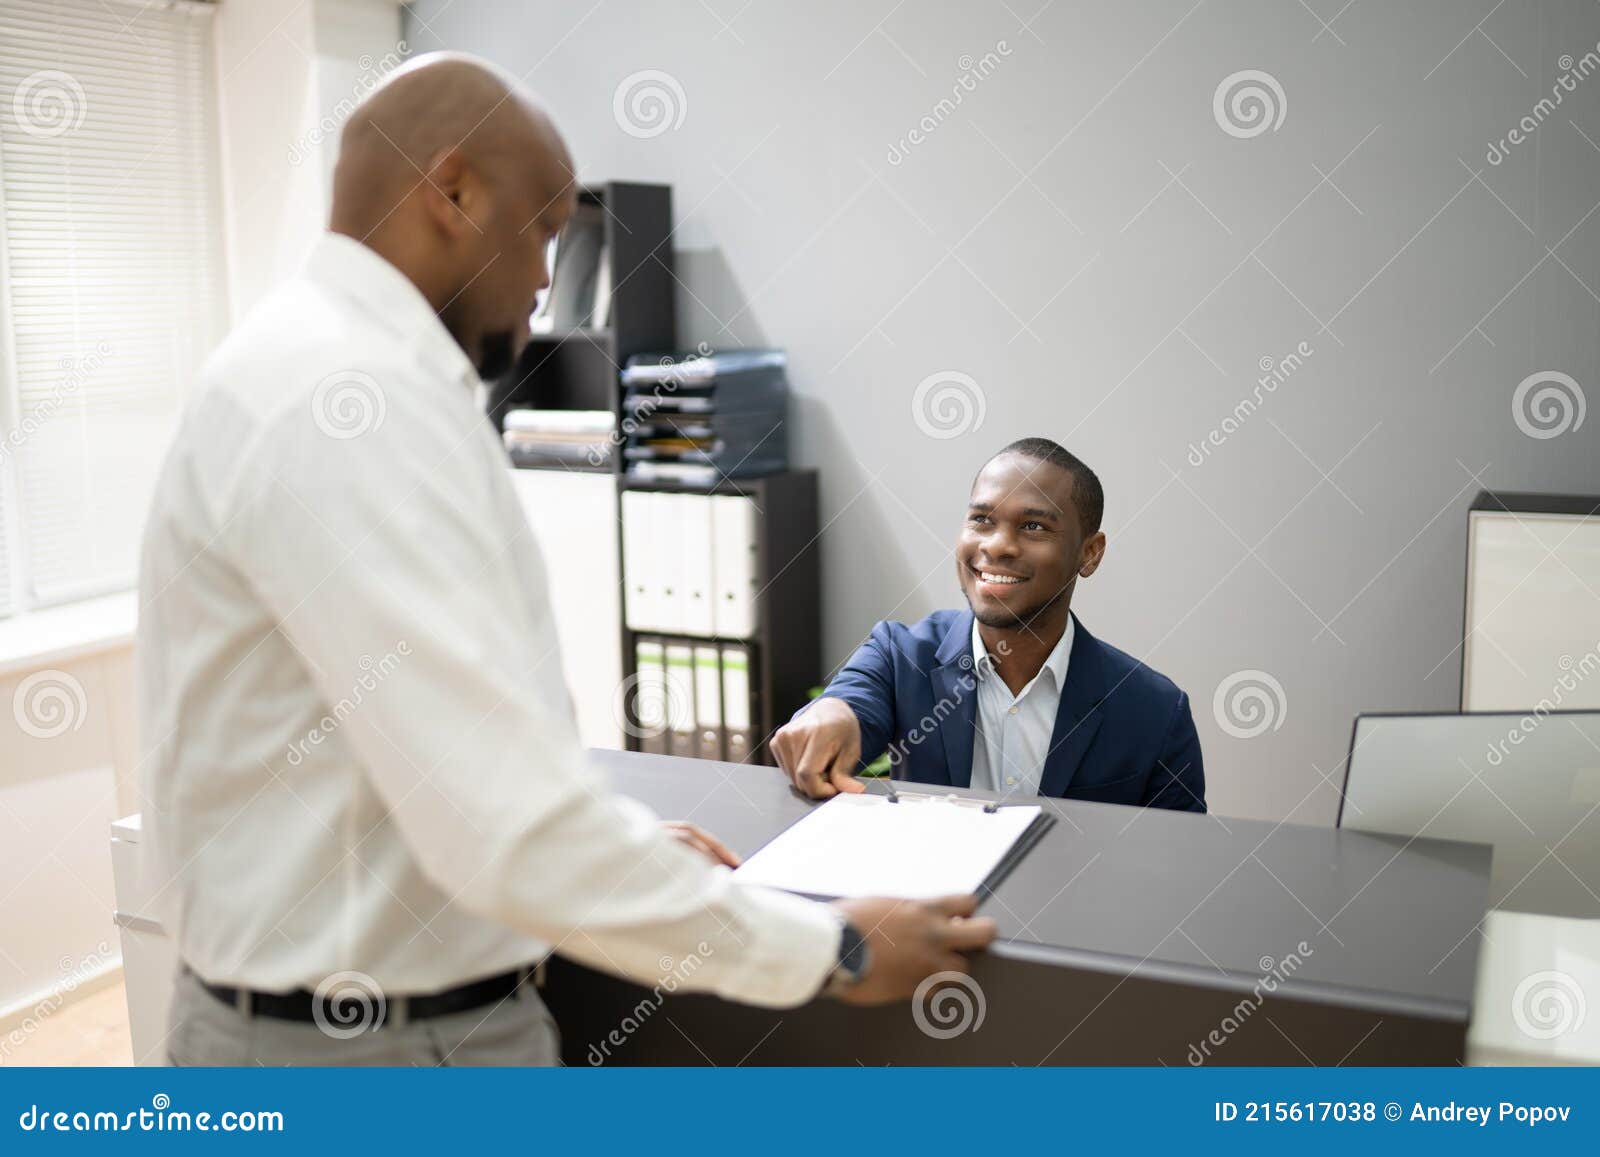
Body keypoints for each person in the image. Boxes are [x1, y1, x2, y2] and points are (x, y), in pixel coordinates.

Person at [137, 52, 993, 1067]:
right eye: (543, 229)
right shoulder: (348, 402)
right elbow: (498, 825)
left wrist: (601, 858)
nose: (546, 279)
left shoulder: (317, 366)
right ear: (453, 191)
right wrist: (834, 947)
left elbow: (414, 761)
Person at [773, 439, 1205, 811]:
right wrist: (831, 713)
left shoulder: (1156, 712)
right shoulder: (900, 654)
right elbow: (850, 702)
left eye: (1033, 526)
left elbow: (1178, 864)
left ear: (1089, 553)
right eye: (982, 520)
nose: (997, 546)